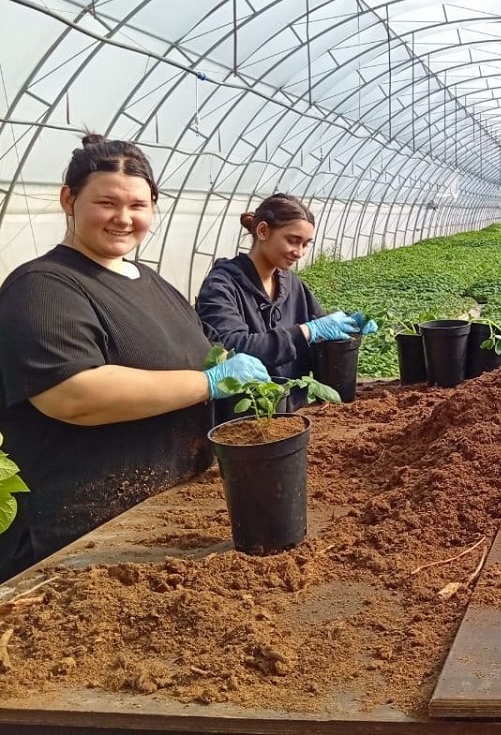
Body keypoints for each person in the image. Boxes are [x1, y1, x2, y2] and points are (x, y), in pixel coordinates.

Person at [0, 135, 270, 580]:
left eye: (138, 206)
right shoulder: (44, 287)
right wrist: (208, 383)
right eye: (106, 203)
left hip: (159, 516)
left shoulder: (150, 281)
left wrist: (227, 363)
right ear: (69, 199)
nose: (124, 218)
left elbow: (203, 346)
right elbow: (74, 394)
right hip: (80, 539)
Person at [196, 194, 376, 398]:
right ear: (263, 231)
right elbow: (231, 347)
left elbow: (319, 326)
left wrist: (349, 323)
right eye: (293, 241)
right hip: (248, 409)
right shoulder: (221, 285)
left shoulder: (291, 283)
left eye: (306, 244)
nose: (299, 252)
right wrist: (307, 331)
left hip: (295, 409)